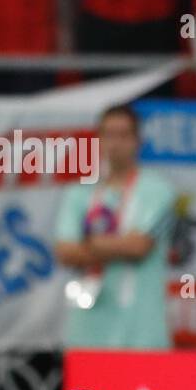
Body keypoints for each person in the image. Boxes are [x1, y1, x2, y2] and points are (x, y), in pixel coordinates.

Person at [53, 104, 178, 349]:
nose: (115, 144)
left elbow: (138, 246)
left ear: (138, 140)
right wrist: (116, 245)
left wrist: (89, 243)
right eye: (108, 135)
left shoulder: (158, 191)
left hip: (142, 332)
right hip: (88, 331)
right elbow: (64, 251)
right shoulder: (79, 193)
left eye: (123, 135)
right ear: (98, 140)